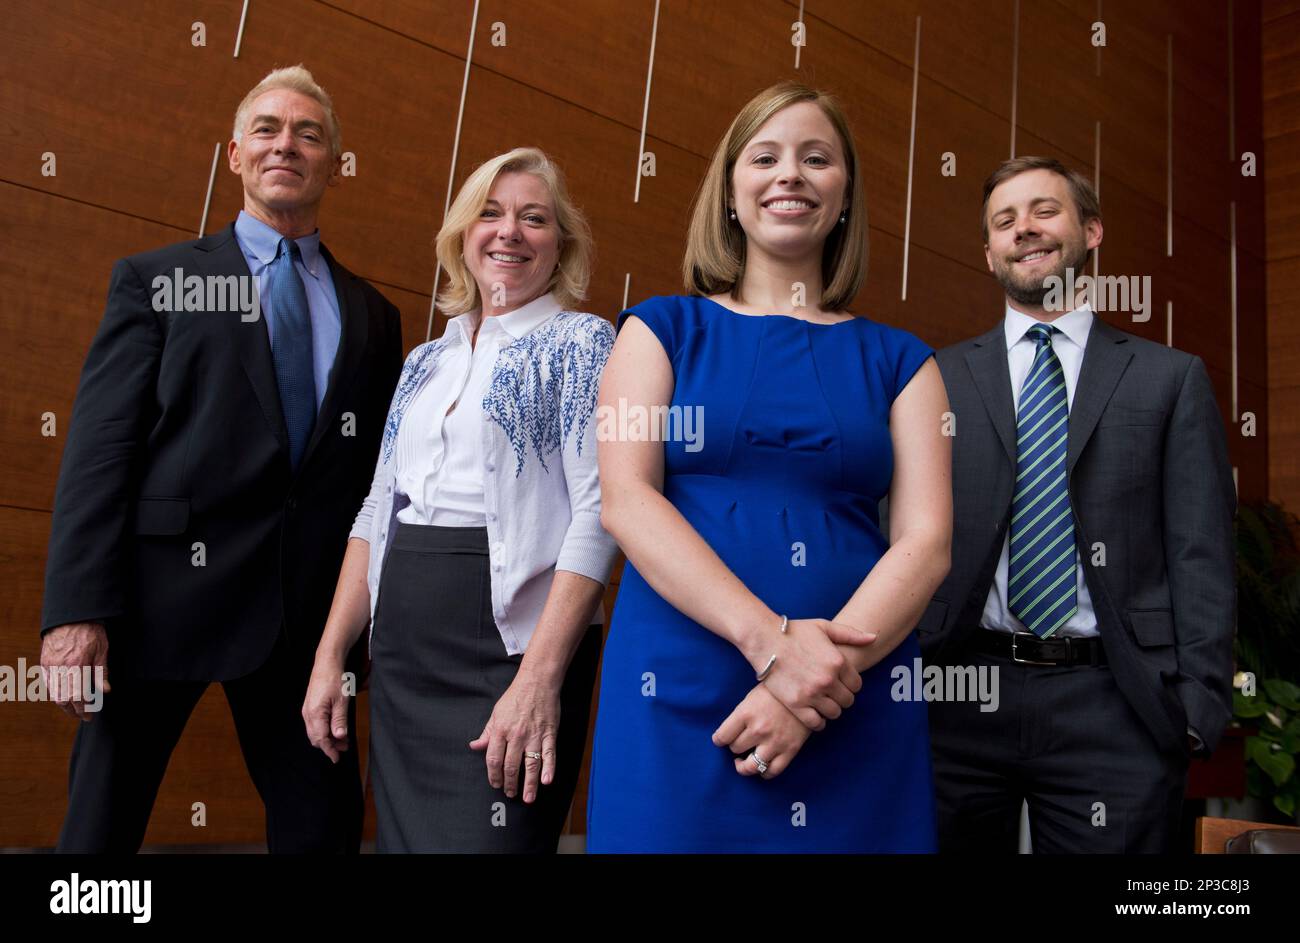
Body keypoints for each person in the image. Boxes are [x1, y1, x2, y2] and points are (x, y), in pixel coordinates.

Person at [39, 65, 404, 852]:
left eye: (309, 135)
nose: (287, 145)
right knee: (99, 831)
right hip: (154, 606)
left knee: (324, 828)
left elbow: (375, 482)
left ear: (334, 164)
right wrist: (75, 612)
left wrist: (358, 629)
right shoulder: (157, 281)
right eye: (268, 129)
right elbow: (99, 455)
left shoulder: (375, 315)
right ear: (234, 153)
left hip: (303, 628)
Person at [586, 81, 952, 852]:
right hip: (679, 689)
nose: (790, 174)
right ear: (730, 191)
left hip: (854, 695)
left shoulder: (905, 362)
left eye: (816, 159)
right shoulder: (657, 329)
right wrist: (773, 645)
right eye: (766, 157)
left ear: (844, 194)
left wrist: (810, 687)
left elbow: (926, 543)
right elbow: (625, 499)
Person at [303, 147, 619, 853]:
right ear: (462, 235)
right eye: (491, 213)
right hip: (405, 645)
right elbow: (378, 507)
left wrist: (539, 679)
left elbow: (600, 515)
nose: (509, 232)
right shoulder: (425, 360)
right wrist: (332, 657)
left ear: (559, 245)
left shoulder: (581, 342)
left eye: (533, 218)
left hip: (512, 647)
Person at [920, 156, 1236, 853]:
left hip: (1115, 703)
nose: (1024, 229)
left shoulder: (1169, 378)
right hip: (960, 694)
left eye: (1044, 210)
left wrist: (1196, 706)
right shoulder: (936, 378)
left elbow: (1201, 550)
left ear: (1091, 230)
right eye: (1005, 221)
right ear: (988, 251)